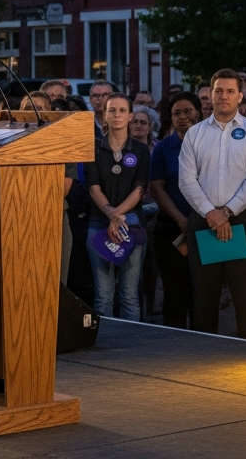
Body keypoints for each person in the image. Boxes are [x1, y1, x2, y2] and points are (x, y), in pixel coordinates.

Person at [178, 69, 246, 340]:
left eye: (230, 91)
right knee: (204, 296)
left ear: (241, 96)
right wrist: (212, 213)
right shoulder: (194, 134)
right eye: (218, 91)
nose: (224, 96)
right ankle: (205, 355)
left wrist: (227, 212)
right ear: (210, 94)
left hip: (242, 220)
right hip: (204, 221)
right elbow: (186, 180)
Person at [84, 94, 150, 321]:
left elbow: (139, 190)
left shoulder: (141, 150)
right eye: (112, 110)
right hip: (99, 223)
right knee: (103, 296)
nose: (117, 115)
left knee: (129, 296)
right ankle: (102, 350)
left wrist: (117, 215)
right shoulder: (92, 148)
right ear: (104, 115)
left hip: (130, 224)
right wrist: (111, 215)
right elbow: (93, 188)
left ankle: (130, 352)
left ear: (130, 116)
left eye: (123, 110)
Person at [150, 92, 201, 328]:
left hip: (206, 227)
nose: (183, 117)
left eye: (188, 111)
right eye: (176, 113)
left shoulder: (211, 145)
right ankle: (174, 348)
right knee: (174, 292)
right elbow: (157, 188)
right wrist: (182, 220)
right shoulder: (163, 148)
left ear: (199, 112)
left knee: (202, 291)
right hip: (171, 229)